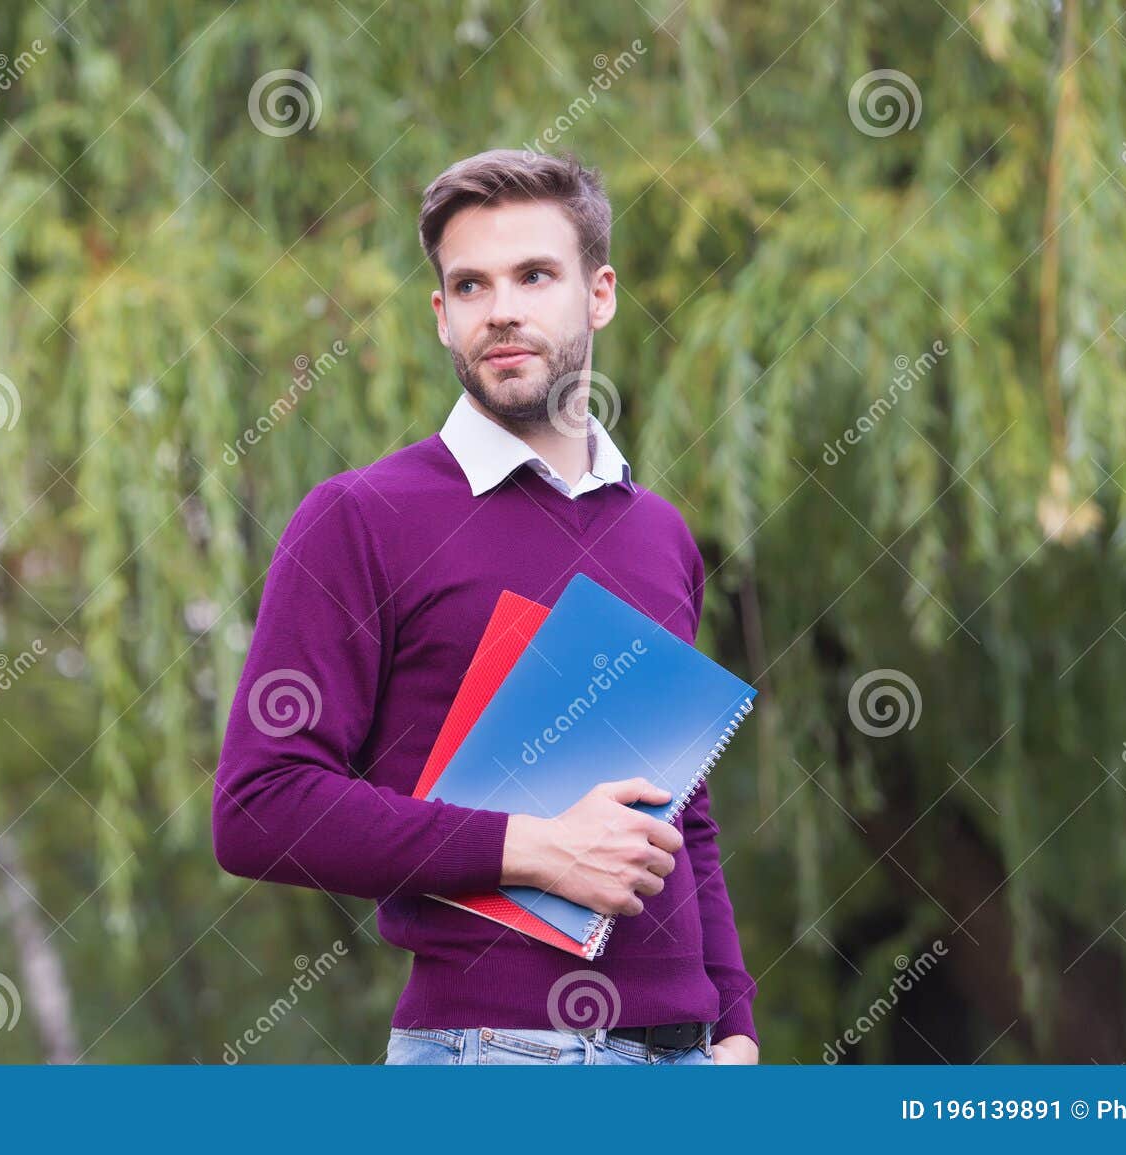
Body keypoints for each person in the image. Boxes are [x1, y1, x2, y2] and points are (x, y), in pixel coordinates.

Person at [212, 149, 759, 1066]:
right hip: (493, 1055)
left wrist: (735, 1021)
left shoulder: (659, 534)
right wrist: (529, 848)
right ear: (442, 316)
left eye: (535, 275)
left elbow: (681, 814)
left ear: (601, 294)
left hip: (687, 1061)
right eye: (470, 284)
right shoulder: (363, 518)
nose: (500, 308)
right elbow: (259, 806)